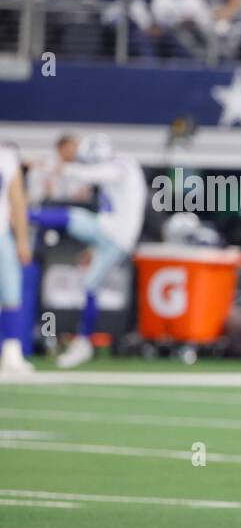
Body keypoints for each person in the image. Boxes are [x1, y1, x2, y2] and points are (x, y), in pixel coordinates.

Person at [27, 134, 145, 369]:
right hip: (113, 236)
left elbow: (93, 174)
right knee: (90, 284)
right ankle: (83, 341)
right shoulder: (121, 167)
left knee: (70, 217)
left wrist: (53, 166)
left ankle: (20, 215)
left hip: (115, 236)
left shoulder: (121, 167)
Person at [0, 141, 33, 373]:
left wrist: (22, 240)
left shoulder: (7, 157)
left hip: (0, 233)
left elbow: (17, 200)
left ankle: (12, 353)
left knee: (11, 293)